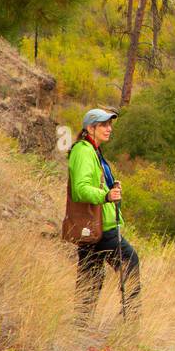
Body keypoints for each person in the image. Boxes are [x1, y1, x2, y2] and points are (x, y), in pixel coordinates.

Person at [70, 108, 140, 320]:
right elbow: (79, 189)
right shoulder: (83, 151)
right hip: (100, 225)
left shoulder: (93, 150)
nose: (109, 129)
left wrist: (110, 187)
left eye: (110, 125)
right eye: (103, 125)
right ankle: (132, 322)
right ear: (90, 128)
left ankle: (81, 324)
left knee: (90, 276)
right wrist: (107, 195)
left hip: (94, 225)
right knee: (130, 262)